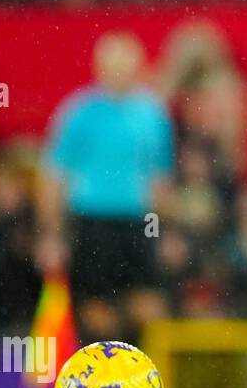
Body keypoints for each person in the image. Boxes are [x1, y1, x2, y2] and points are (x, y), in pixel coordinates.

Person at [36, 32, 175, 342]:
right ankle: (102, 381)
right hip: (91, 221)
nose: (119, 73)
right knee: (96, 311)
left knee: (148, 305)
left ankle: (141, 379)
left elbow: (159, 179)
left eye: (126, 66)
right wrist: (51, 234)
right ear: (98, 67)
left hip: (137, 223)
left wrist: (164, 231)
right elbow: (53, 177)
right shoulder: (78, 113)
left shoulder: (153, 115)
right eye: (112, 66)